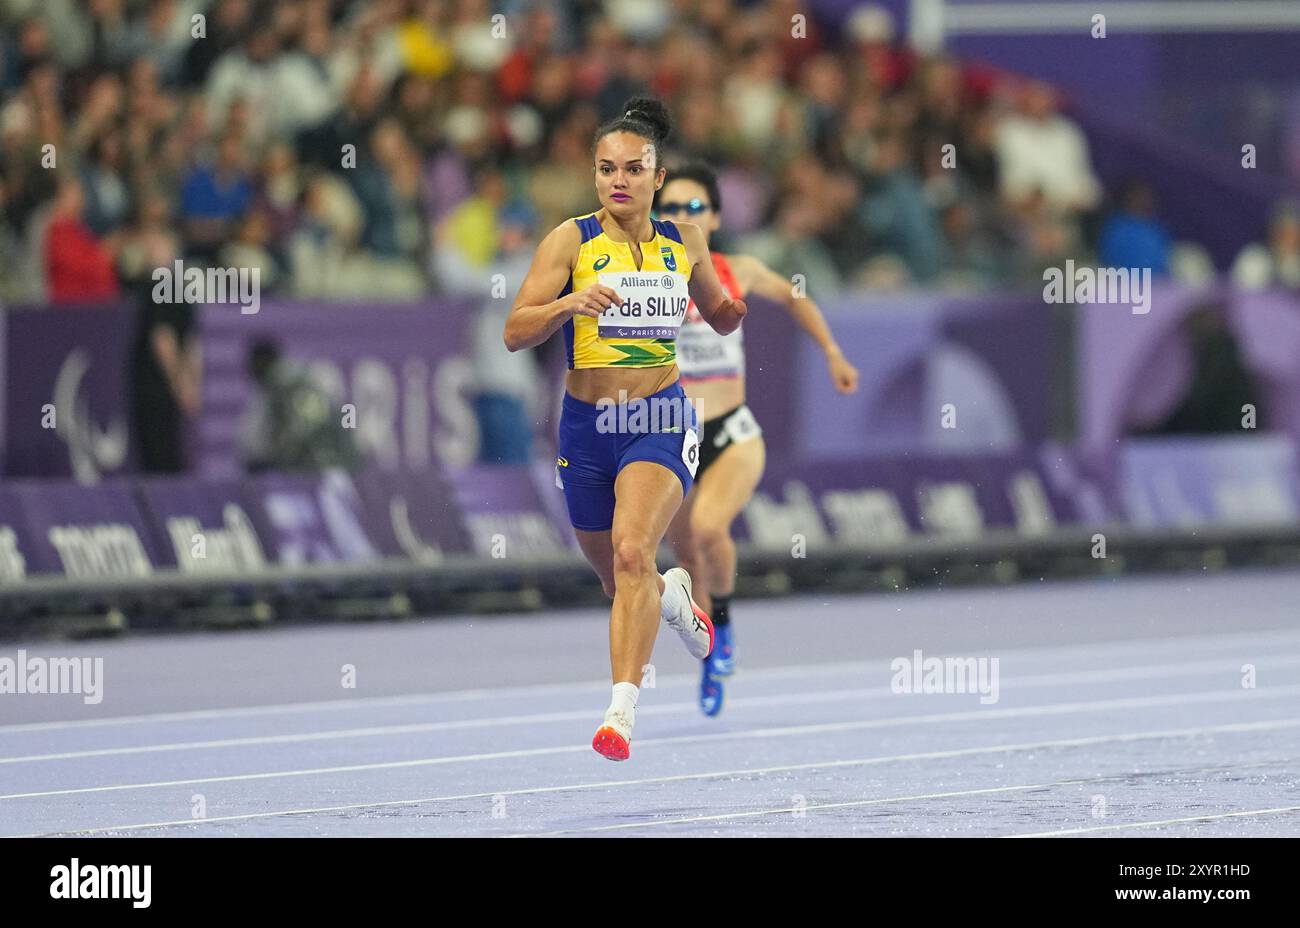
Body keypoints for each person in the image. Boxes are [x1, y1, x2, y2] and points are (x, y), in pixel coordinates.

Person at [504, 97, 747, 761]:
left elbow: (719, 314)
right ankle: (675, 601)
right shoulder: (571, 242)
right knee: (620, 580)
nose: (619, 180)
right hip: (587, 427)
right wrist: (567, 304)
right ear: (594, 175)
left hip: (659, 417)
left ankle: (620, 714)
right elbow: (513, 332)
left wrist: (730, 311)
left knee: (634, 551)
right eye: (606, 168)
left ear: (657, 177)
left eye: (633, 169)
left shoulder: (683, 241)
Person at [654, 163, 860, 716]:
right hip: (673, 433)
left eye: (693, 208)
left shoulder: (735, 269)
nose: (681, 217)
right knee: (687, 554)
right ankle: (709, 657)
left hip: (733, 432)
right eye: (670, 208)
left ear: (715, 217)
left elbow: (794, 297)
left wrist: (833, 352)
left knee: (708, 526)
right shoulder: (644, 274)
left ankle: (722, 626)